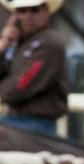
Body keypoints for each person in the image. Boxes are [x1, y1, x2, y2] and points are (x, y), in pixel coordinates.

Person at [0, 0, 67, 136]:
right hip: (14, 122)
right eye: (22, 11)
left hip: (36, 126)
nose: (27, 16)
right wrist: (4, 43)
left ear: (46, 12)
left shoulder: (50, 43)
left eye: (34, 10)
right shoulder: (18, 43)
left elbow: (19, 87)